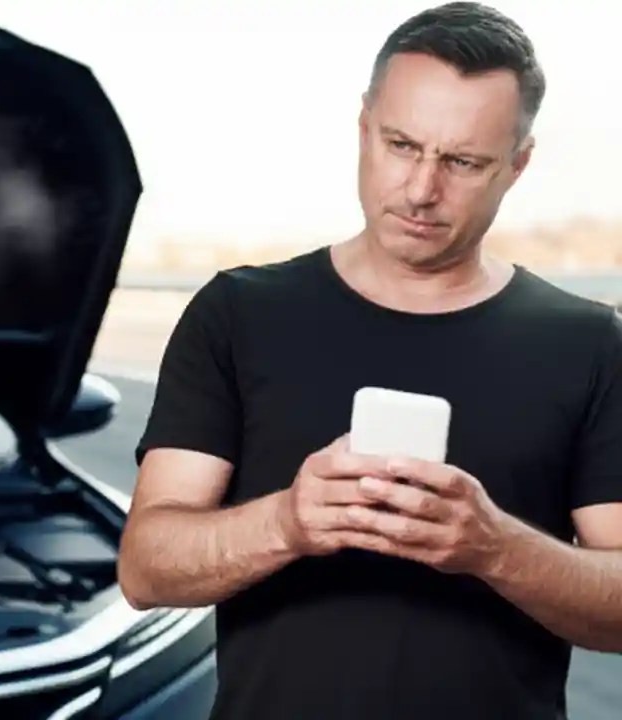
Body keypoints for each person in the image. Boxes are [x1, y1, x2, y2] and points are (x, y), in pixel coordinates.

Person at [116, 3, 622, 719]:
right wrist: (288, 523)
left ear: (517, 165)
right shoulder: (238, 313)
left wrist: (493, 548)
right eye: (401, 145)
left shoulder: (591, 342)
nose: (422, 188)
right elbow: (145, 569)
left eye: (463, 161)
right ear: (363, 128)